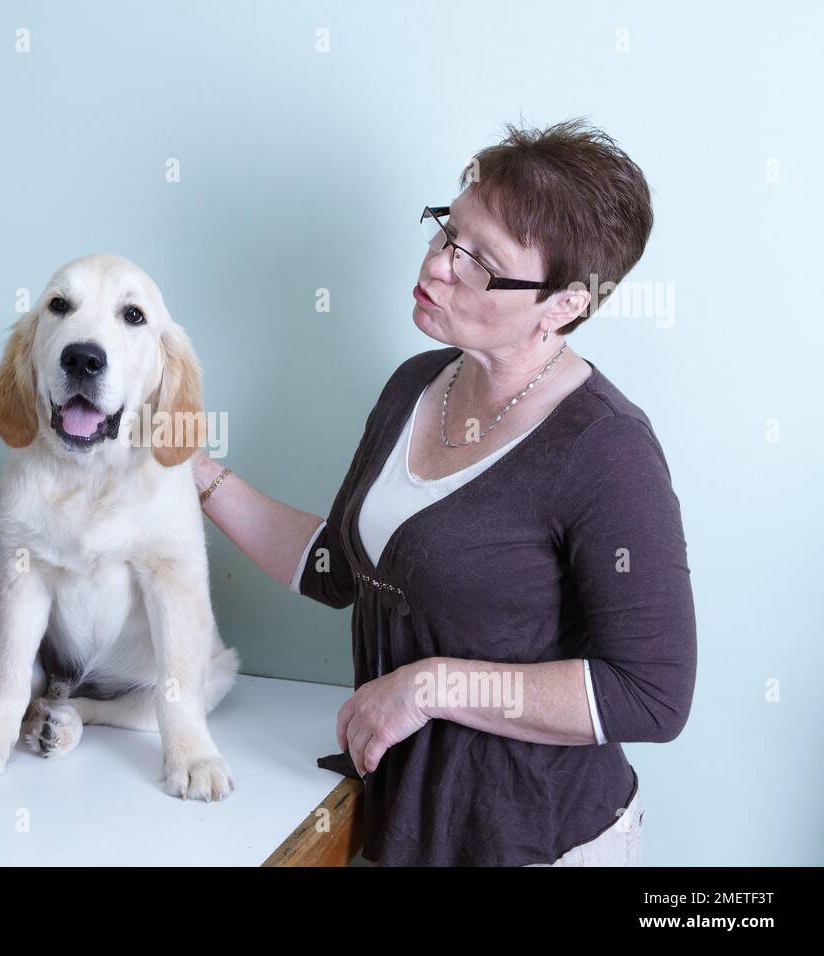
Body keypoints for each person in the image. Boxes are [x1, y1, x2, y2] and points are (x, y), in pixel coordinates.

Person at [192, 119, 696, 866]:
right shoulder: (415, 385)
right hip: (401, 824)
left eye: (479, 261)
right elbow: (342, 568)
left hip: (535, 841)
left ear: (562, 306)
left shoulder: (606, 449)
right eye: (445, 232)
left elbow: (652, 694)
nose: (436, 265)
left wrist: (429, 686)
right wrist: (196, 474)